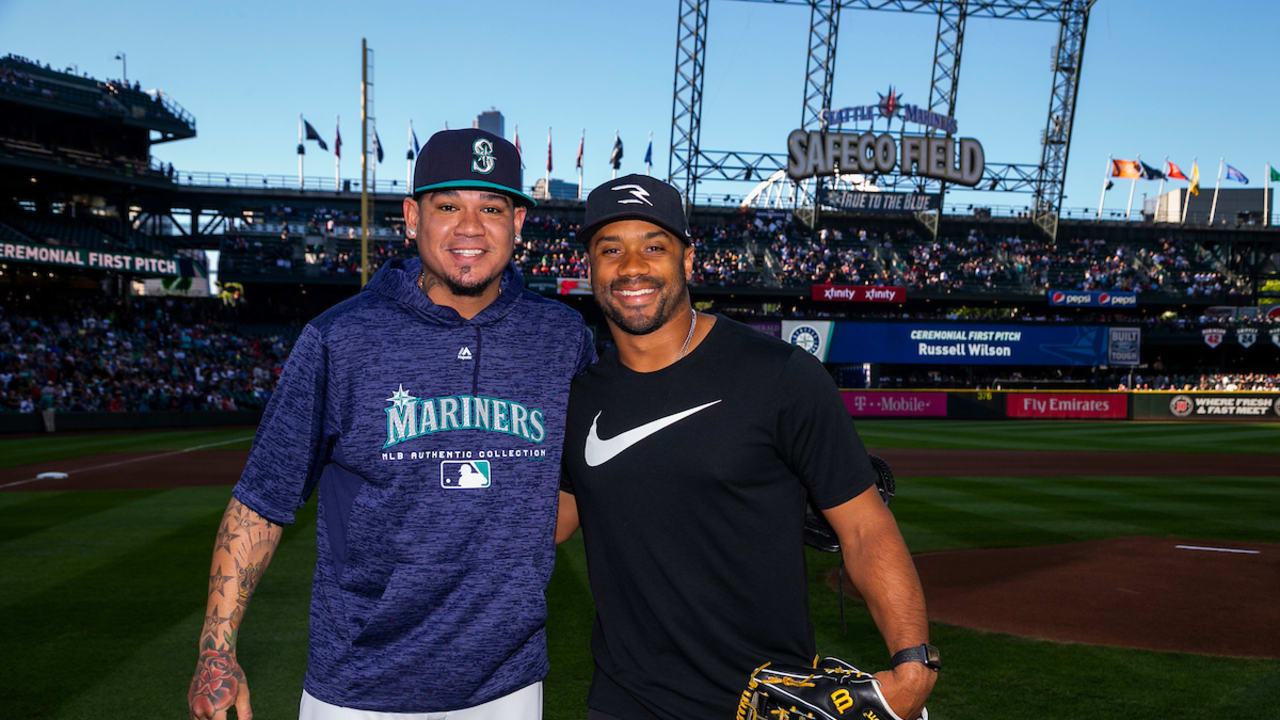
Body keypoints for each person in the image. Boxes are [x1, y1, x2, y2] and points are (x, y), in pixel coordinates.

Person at [188, 128, 594, 720]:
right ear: (411, 217)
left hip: (507, 686)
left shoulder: (561, 338)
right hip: (358, 689)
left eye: (491, 209)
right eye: (447, 206)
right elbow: (262, 501)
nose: (470, 227)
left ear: (518, 223)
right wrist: (216, 651)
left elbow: (583, 481)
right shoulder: (339, 336)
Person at [556, 174, 937, 720]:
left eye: (654, 247)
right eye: (610, 249)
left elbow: (864, 526)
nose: (632, 266)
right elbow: (553, 521)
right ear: (589, 267)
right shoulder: (579, 397)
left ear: (688, 260)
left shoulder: (780, 375)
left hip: (768, 702)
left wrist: (914, 663)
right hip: (626, 702)